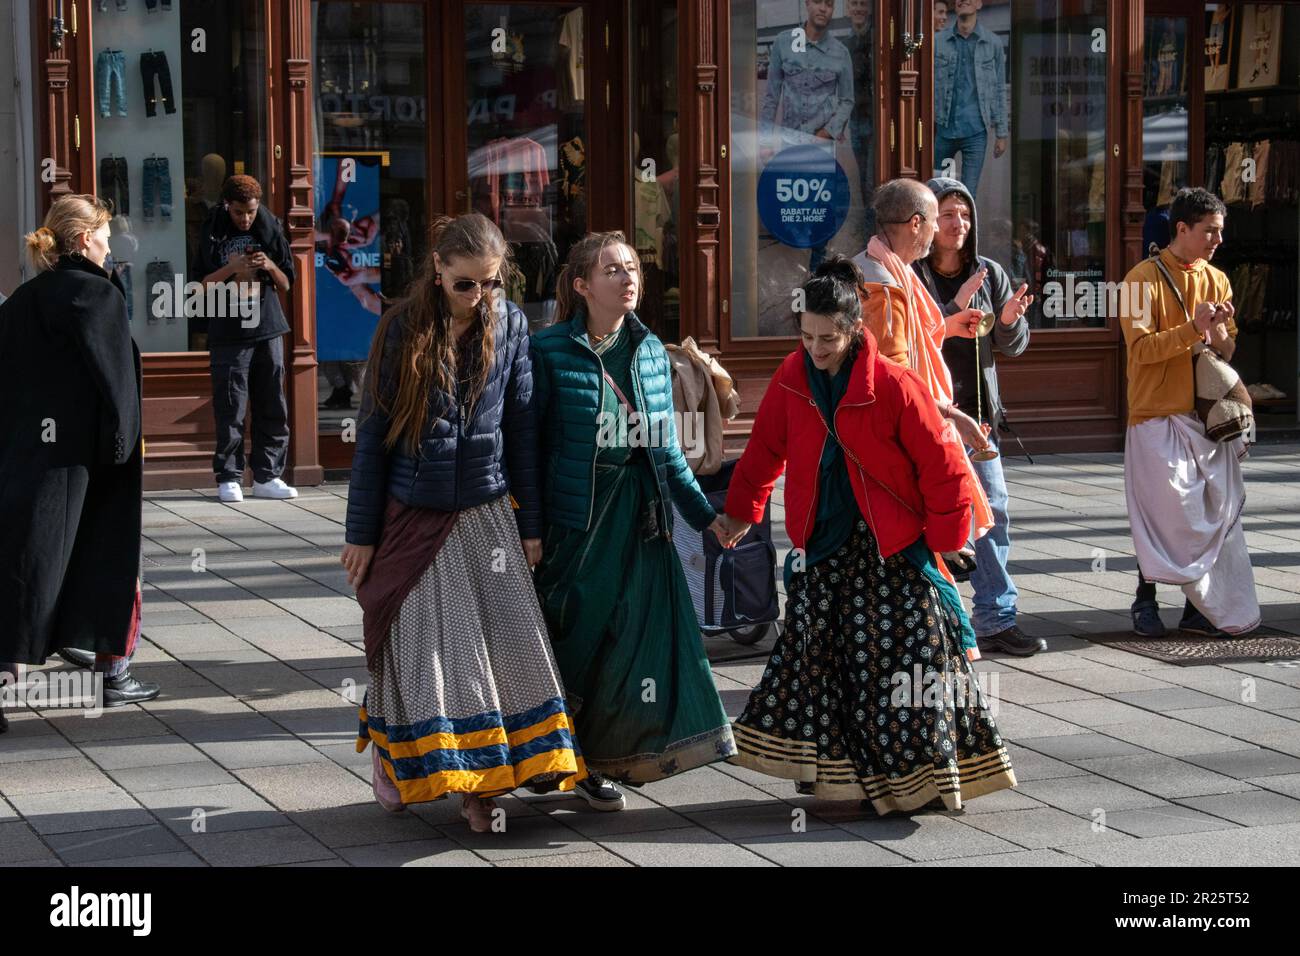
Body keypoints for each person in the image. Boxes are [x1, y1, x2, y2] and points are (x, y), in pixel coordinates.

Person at [717, 257, 1016, 812]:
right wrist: (741, 512)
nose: (816, 349)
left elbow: (943, 464)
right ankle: (837, 775)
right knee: (820, 662)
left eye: (828, 338)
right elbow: (763, 452)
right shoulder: (789, 377)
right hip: (822, 542)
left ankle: (923, 779)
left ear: (856, 329)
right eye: (807, 337)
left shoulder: (897, 385)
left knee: (911, 665)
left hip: (891, 544)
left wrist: (950, 536)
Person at [342, 213, 585, 830]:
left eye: (491, 284)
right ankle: (401, 755)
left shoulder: (510, 325)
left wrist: (530, 527)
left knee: (504, 652)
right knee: (422, 652)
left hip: (486, 511)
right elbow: (371, 438)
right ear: (439, 269)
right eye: (466, 284)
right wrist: (360, 534)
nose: (479, 297)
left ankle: (484, 788)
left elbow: (523, 431)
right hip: (413, 513)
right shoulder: (400, 329)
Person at [531, 231, 736, 811]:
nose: (629, 279)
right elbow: (526, 449)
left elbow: (666, 450)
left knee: (626, 646)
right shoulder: (547, 352)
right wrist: (531, 530)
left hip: (640, 520)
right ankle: (550, 754)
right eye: (613, 270)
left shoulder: (650, 350)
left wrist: (707, 518)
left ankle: (603, 761)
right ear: (581, 285)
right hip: (576, 522)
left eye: (632, 269)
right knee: (571, 639)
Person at [0, 194, 159, 708]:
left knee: (28, 564)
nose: (110, 249)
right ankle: (113, 672)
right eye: (106, 237)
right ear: (84, 237)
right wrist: (123, 447)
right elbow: (116, 383)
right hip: (87, 460)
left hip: (27, 454)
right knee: (109, 557)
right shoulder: (98, 295)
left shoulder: (27, 296)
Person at [913, 177, 1044, 657]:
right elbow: (909, 344)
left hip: (978, 415)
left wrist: (1008, 321)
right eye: (948, 214)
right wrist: (952, 309)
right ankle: (930, 620)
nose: (958, 223)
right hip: (928, 415)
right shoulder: (911, 275)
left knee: (993, 511)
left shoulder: (989, 273)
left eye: (964, 214)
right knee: (928, 518)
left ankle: (996, 616)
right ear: (926, 220)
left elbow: (1012, 344)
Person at [1120, 187, 1259, 638]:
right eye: (1209, 232)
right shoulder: (1138, 279)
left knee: (1207, 512)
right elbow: (1141, 351)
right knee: (1161, 515)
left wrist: (1216, 332)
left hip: (1205, 418)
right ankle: (1146, 602)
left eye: (1220, 232)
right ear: (1182, 229)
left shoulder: (1217, 278)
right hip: (1156, 413)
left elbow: (1229, 349)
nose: (1217, 240)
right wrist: (1192, 328)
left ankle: (1197, 607)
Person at [851, 178, 995, 575]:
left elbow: (907, 345)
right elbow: (893, 376)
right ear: (916, 223)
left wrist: (947, 327)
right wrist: (950, 415)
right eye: (934, 220)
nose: (937, 231)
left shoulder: (884, 269)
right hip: (895, 442)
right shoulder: (883, 285)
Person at [192, 174, 298, 503]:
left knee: (272, 404)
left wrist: (268, 264)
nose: (246, 218)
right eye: (239, 212)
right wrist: (232, 268)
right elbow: (200, 285)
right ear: (227, 205)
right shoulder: (213, 228)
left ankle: (268, 475)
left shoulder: (268, 226)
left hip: (267, 326)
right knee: (231, 405)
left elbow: (287, 283)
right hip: (228, 329)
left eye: (251, 211)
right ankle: (229, 476)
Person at [759, 0, 854, 272]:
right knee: (787, 206)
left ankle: (817, 272)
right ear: (807, 5)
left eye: (829, 4)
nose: (823, 9)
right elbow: (771, 97)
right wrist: (766, 141)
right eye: (818, 2)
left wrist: (828, 132)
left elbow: (847, 100)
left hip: (821, 145)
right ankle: (787, 271)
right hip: (789, 142)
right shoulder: (783, 43)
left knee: (821, 209)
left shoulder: (839, 53)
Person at [933, 0, 1009, 200]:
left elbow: (999, 88)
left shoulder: (992, 43)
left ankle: (967, 232)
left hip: (975, 131)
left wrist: (1001, 132)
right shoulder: (937, 41)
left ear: (979, 4)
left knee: (968, 195)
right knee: (937, 192)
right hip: (942, 129)